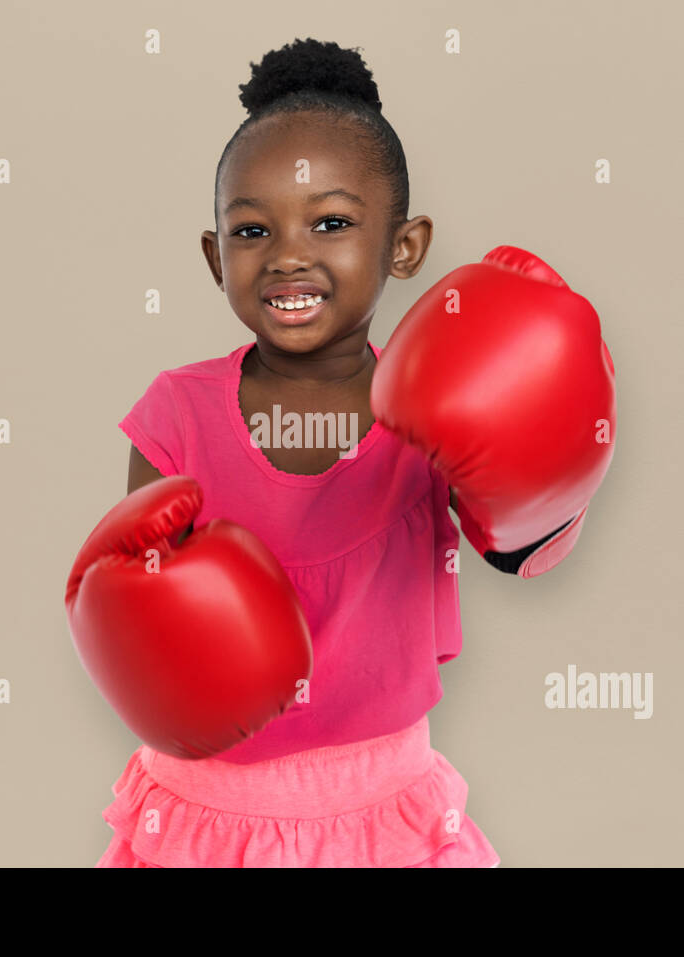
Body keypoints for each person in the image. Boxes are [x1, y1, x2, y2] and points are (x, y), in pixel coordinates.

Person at [87, 37, 611, 868]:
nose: (289, 254)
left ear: (404, 246)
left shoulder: (437, 400)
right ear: (215, 257)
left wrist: (546, 466)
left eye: (331, 222)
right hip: (207, 817)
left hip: (383, 816)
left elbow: (518, 547)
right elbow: (137, 619)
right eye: (253, 229)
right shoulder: (175, 413)